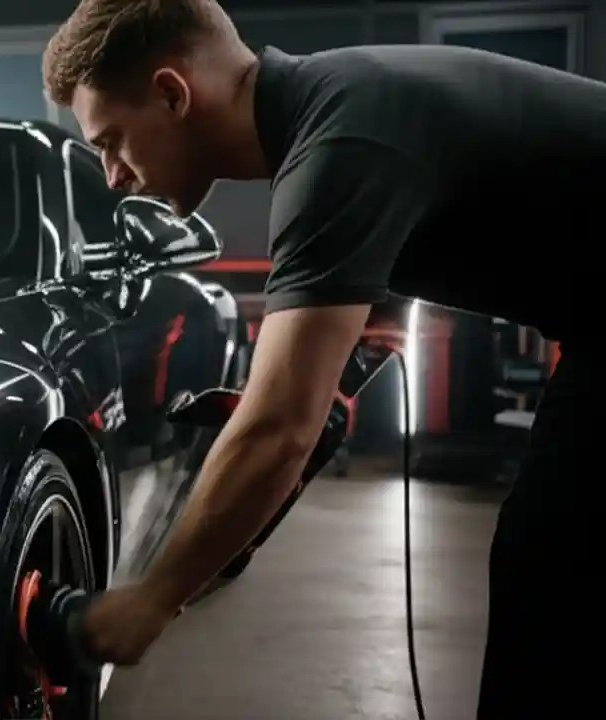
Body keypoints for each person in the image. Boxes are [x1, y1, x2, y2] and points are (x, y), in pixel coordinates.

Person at [41, 1, 592, 717]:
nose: (112, 177)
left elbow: (277, 428)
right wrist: (325, 394)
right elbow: (377, 289)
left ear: (174, 94)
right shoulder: (339, 105)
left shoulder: (339, 147)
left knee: (553, 575)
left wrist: (150, 599)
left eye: (111, 141)